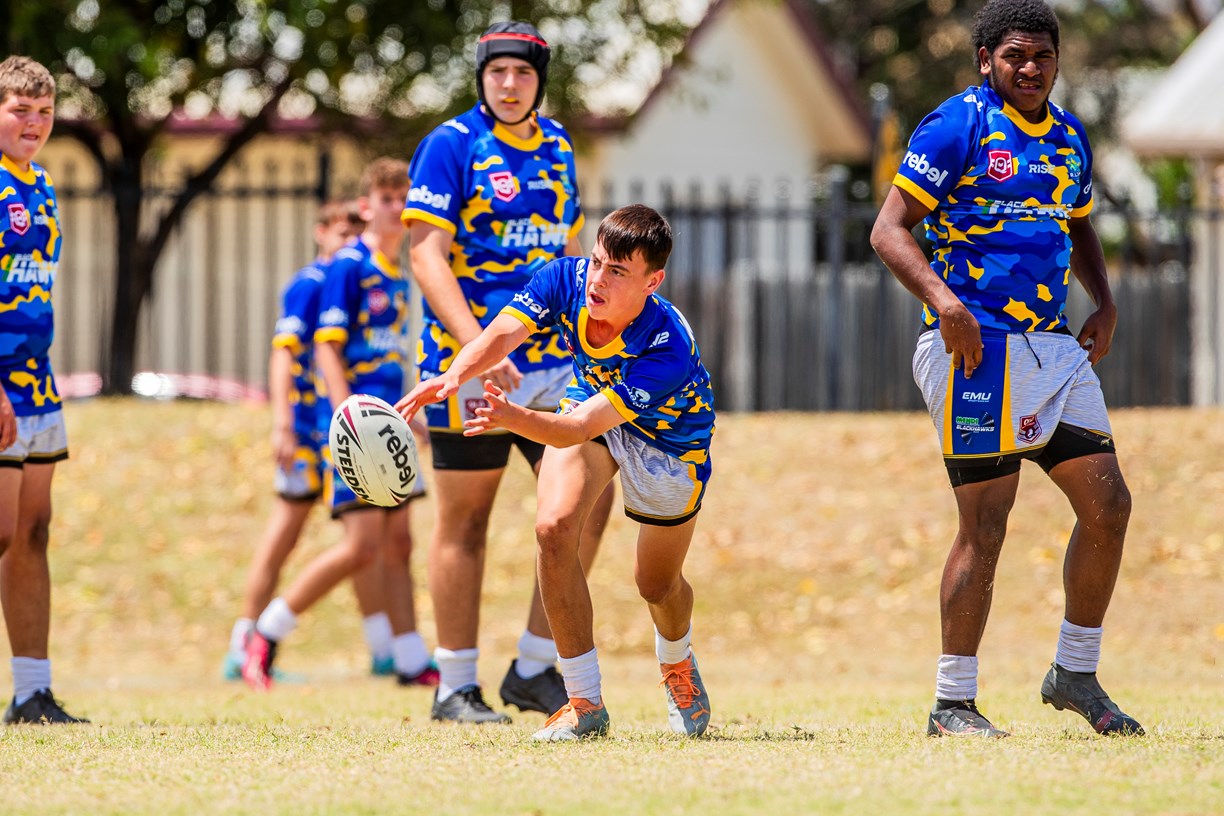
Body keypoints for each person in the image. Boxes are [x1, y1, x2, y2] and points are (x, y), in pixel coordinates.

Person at [870, 0, 1143, 738]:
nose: (1030, 69)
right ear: (985, 60)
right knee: (986, 523)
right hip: (973, 350)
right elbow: (888, 229)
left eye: (1043, 57)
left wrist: (1105, 300)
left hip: (1051, 346)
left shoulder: (1066, 137)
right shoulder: (957, 125)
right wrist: (943, 302)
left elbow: (1076, 220)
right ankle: (952, 704)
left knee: (1109, 506)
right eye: (1015, 56)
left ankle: (1074, 674)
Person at [399, 205, 714, 741]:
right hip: (592, 401)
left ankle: (677, 662)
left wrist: (512, 417)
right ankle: (584, 703)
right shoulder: (564, 280)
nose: (597, 280)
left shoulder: (667, 346)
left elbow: (573, 429)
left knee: (656, 584)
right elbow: (500, 337)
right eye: (597, 263)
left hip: (669, 440)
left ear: (652, 281)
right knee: (552, 529)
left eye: (617, 272)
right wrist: (453, 377)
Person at [401, 20, 613, 724]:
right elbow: (426, 256)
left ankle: (531, 667)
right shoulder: (450, 146)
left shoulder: (557, 147)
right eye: (497, 72)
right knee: (466, 520)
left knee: (587, 501)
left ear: (538, 82)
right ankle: (454, 685)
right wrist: (481, 354)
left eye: (522, 73)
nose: (510, 84)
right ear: (482, 79)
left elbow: (569, 250)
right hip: (467, 368)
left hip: (555, 364)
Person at [243, 158, 437, 690]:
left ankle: (410, 658)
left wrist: (406, 413)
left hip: (389, 423)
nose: (397, 208)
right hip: (359, 429)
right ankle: (266, 632)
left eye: (405, 198)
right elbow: (326, 349)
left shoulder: (398, 269)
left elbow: (386, 353)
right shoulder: (347, 266)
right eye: (387, 198)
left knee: (399, 545)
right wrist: (348, 413)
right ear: (366, 205)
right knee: (360, 547)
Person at [0, 56, 86, 725]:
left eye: (43, 111)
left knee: (32, 531)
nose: (33, 123)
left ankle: (32, 692)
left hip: (37, 383)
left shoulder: (44, 188)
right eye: (18, 110)